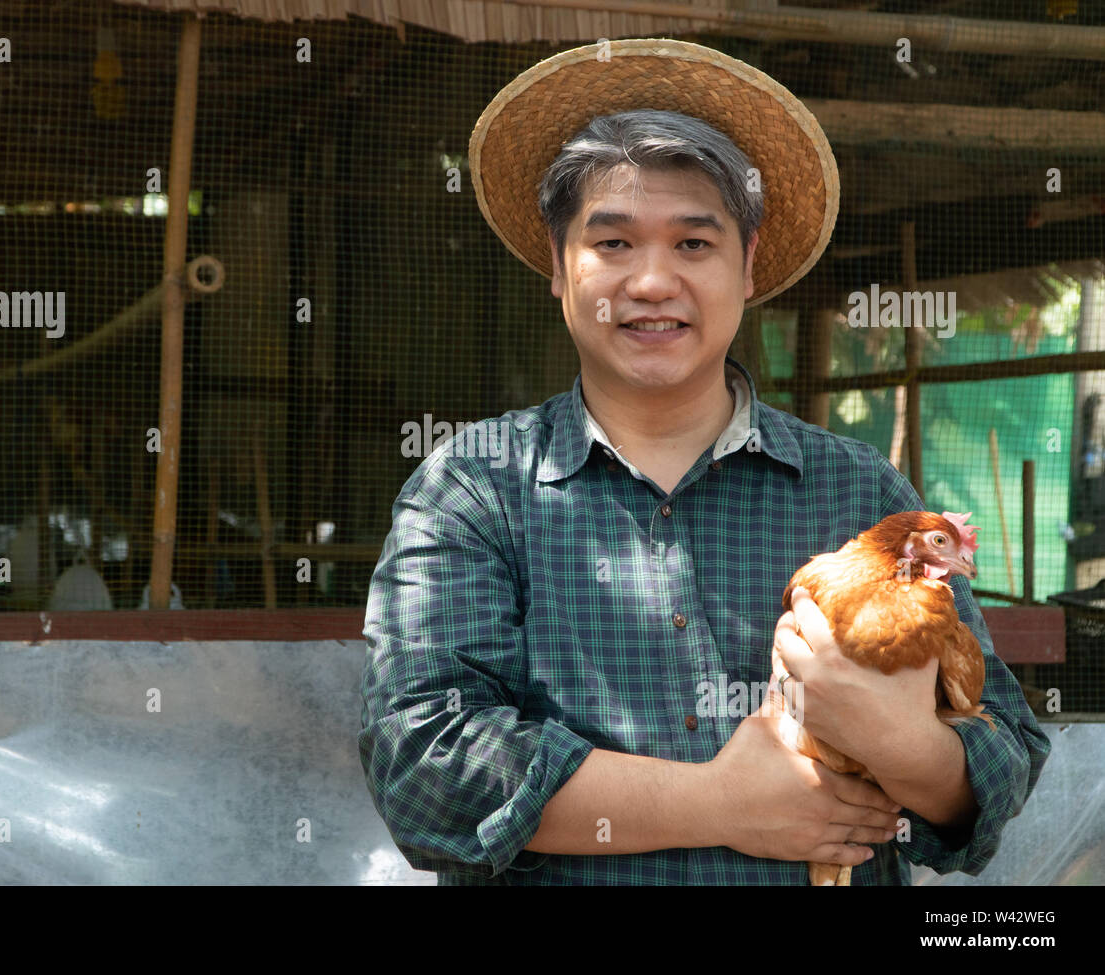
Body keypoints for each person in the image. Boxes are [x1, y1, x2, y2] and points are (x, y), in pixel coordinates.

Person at [358, 38, 1050, 885]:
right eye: (612, 243)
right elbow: (423, 763)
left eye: (693, 244)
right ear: (557, 266)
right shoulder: (472, 488)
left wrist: (895, 737)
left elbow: (1004, 761)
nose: (651, 281)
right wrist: (723, 802)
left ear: (748, 263)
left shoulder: (861, 492)